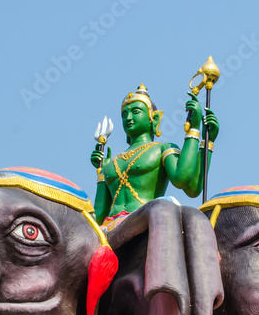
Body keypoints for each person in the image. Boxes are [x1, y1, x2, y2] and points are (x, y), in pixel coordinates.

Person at [90, 84, 219, 228]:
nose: (129, 118)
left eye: (136, 111)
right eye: (124, 114)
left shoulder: (162, 149)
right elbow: (99, 214)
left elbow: (187, 183)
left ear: (154, 118)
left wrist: (196, 133)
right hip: (110, 227)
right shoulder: (110, 164)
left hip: (145, 220)